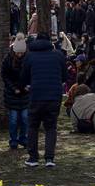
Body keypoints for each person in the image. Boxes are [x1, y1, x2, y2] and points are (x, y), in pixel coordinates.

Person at [19, 29, 66, 169]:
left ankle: (33, 157)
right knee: (51, 127)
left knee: (33, 126)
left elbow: (23, 77)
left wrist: (25, 87)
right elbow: (64, 76)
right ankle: (49, 158)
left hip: (36, 95)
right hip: (54, 96)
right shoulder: (58, 55)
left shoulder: (30, 56)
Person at [2, 35, 30, 151]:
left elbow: (30, 74)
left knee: (24, 118)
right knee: (13, 119)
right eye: (18, 53)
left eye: (21, 53)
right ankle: (13, 140)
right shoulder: (8, 59)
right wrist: (14, 88)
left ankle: (23, 138)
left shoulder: (28, 59)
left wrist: (28, 86)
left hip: (25, 93)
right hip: (12, 93)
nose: (20, 55)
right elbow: (5, 76)